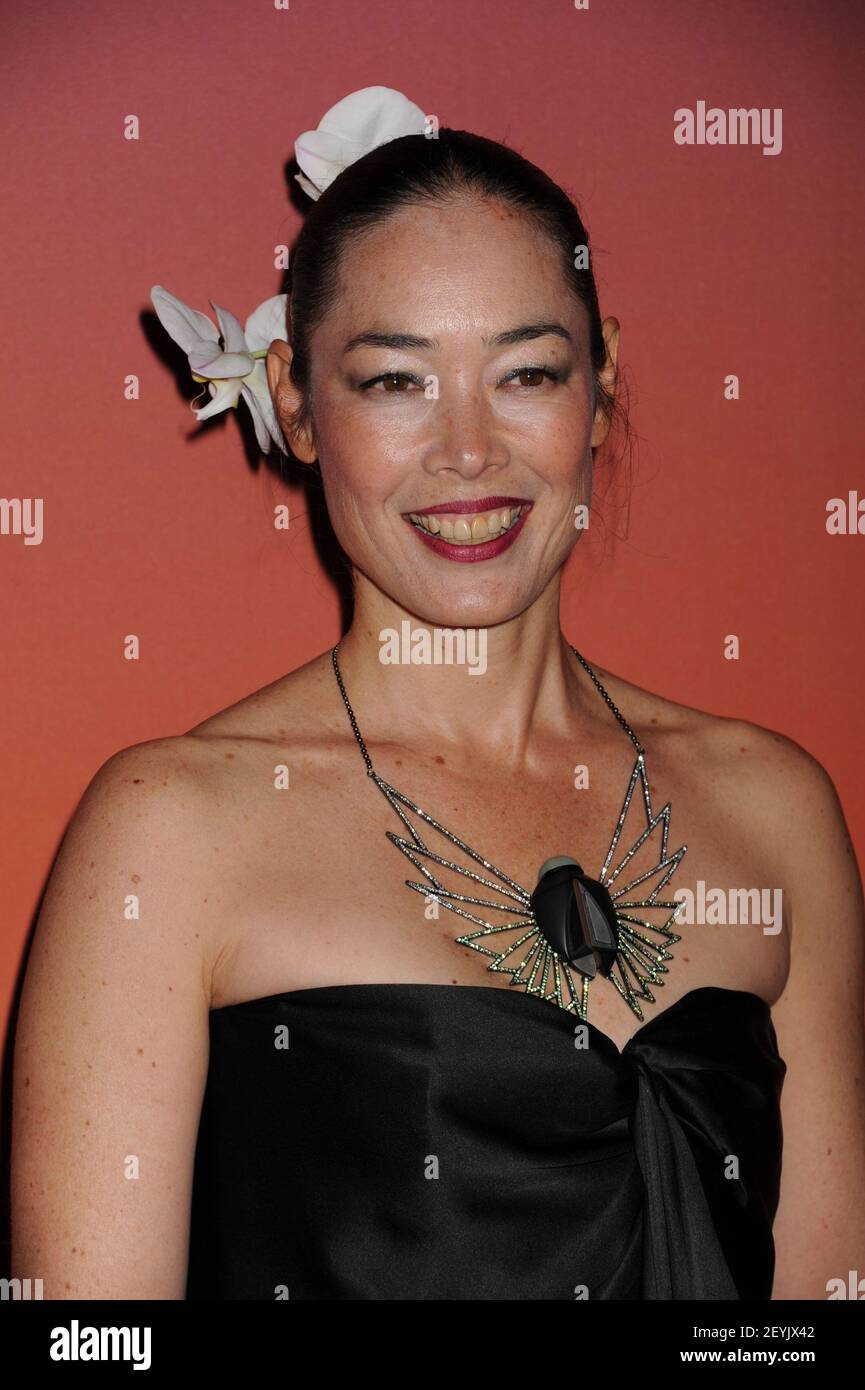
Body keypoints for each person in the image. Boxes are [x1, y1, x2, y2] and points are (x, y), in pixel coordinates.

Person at [11, 88, 865, 1301]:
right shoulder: (171, 830)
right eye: (396, 382)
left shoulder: (775, 808)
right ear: (299, 402)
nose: (468, 450)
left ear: (603, 380)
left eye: (524, 372)